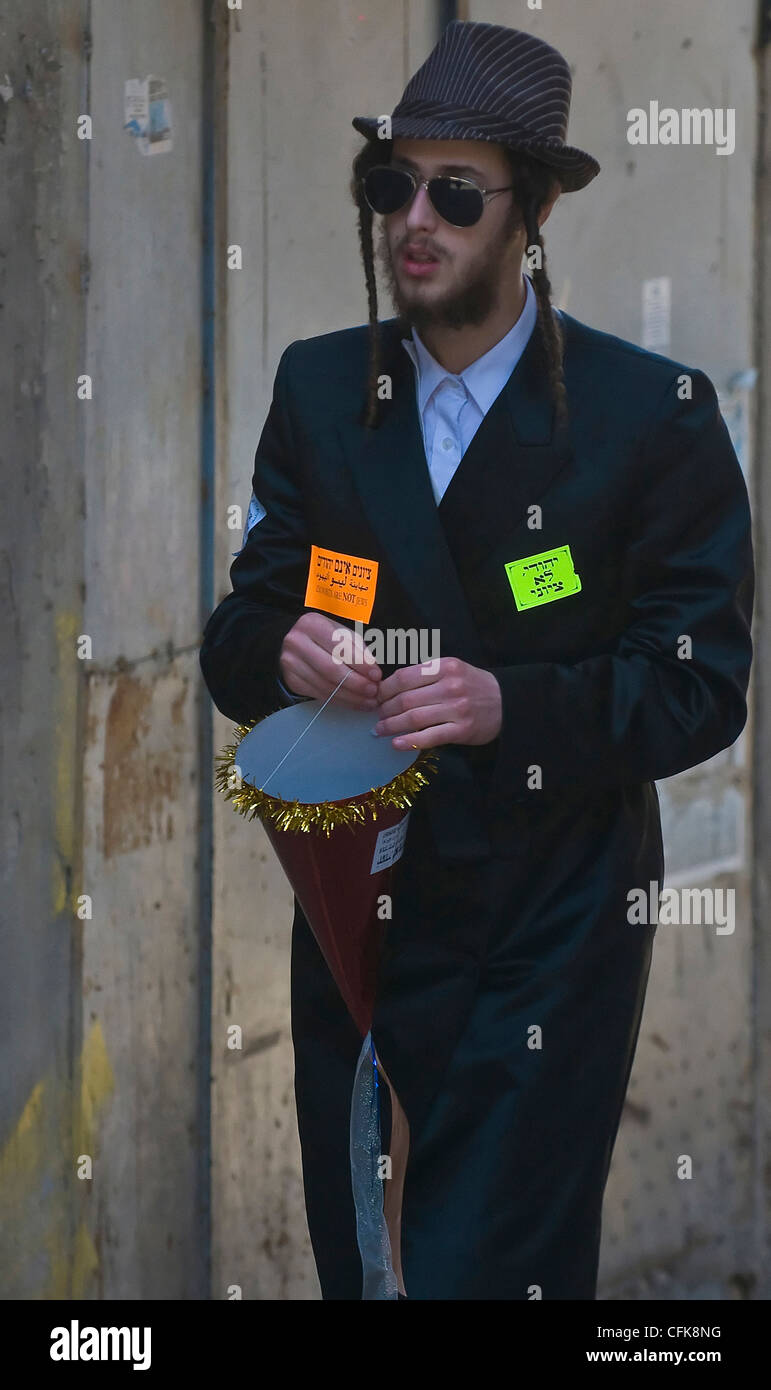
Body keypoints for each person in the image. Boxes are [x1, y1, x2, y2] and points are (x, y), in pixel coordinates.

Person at [199, 20, 754, 1299]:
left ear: (534, 210)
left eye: (457, 191)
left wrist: (513, 704)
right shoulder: (324, 388)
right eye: (392, 184)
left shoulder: (645, 417)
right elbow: (238, 631)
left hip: (551, 922)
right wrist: (277, 647)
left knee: (487, 1266)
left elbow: (698, 681)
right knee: (369, 1258)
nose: (416, 218)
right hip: (361, 917)